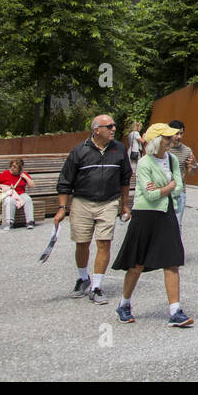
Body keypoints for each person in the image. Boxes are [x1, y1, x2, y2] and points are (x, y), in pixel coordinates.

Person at [112, 124, 193, 327]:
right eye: (166, 138)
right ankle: (124, 303)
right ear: (157, 141)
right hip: (145, 215)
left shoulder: (173, 160)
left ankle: (175, 311)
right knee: (137, 264)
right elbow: (149, 195)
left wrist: (164, 188)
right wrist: (168, 187)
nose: (170, 141)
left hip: (166, 213)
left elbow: (179, 187)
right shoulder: (145, 163)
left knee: (172, 260)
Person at [54, 114, 133, 305]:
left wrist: (124, 205)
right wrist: (62, 208)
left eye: (114, 125)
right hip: (82, 202)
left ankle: (97, 287)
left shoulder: (120, 149)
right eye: (109, 126)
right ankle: (83, 279)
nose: (113, 129)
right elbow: (65, 181)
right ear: (97, 130)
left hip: (109, 202)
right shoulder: (79, 151)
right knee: (82, 242)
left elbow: (125, 179)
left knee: (104, 242)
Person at [167, 120, 198, 229]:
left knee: (177, 224)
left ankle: (175, 246)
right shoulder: (163, 148)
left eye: (181, 133)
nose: (179, 136)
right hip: (163, 191)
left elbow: (191, 172)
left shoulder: (187, 150)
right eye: (176, 133)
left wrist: (194, 165)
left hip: (180, 192)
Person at [0, 159, 36, 232]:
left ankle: (30, 221)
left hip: (20, 193)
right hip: (9, 193)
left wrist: (25, 177)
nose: (12, 168)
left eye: (15, 167)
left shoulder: (23, 174)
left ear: (19, 169)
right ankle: (9, 222)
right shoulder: (5, 173)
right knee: (10, 201)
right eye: (11, 166)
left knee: (28, 199)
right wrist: (5, 187)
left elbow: (32, 185)